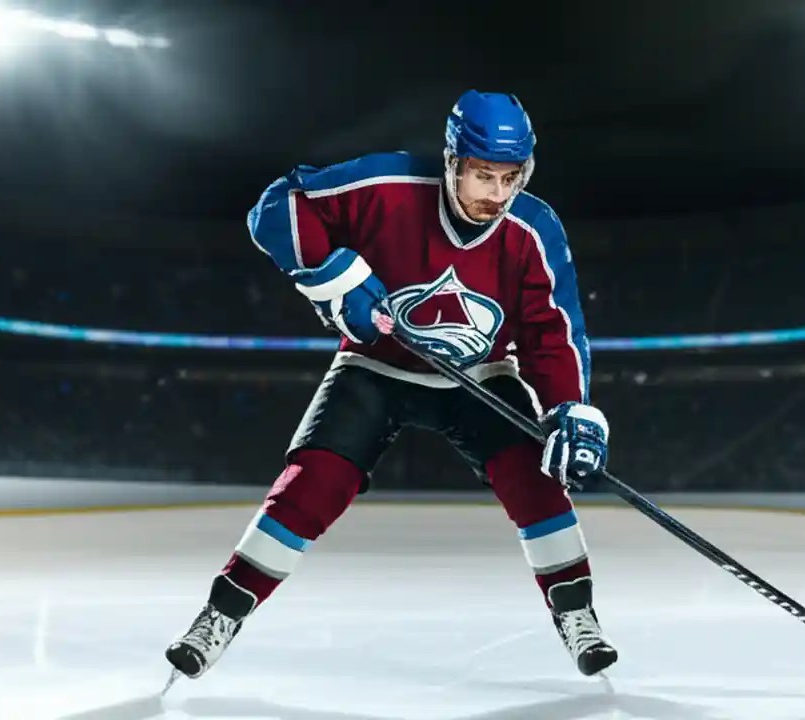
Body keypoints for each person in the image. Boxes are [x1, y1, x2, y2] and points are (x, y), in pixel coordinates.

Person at [165, 90, 616, 680]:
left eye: (511, 179)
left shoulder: (534, 229)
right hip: (374, 365)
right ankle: (220, 613)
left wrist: (569, 409)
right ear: (452, 160)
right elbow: (277, 208)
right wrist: (331, 274)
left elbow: (551, 329)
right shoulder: (386, 184)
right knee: (312, 484)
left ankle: (577, 615)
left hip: (481, 376)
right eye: (483, 176)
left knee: (537, 479)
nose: (497, 196)